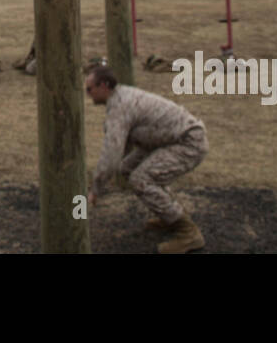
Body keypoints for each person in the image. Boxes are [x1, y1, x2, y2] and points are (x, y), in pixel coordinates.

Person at [85, 65, 207, 254]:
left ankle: (188, 233)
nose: (88, 94)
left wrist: (95, 190)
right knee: (127, 168)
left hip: (187, 142)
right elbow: (121, 153)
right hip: (166, 140)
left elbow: (112, 154)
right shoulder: (120, 97)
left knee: (141, 179)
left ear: (104, 86)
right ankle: (168, 214)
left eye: (89, 89)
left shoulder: (120, 107)